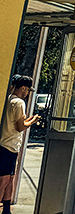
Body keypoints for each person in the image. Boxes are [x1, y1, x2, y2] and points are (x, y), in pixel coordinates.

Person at [0, 76, 40, 213]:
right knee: (4, 180)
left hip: (7, 144)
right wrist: (33, 120)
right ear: (23, 88)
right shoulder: (19, 103)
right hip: (9, 145)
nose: (28, 93)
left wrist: (26, 121)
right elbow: (20, 127)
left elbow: (17, 122)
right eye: (28, 90)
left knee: (10, 178)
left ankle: (6, 209)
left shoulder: (9, 99)